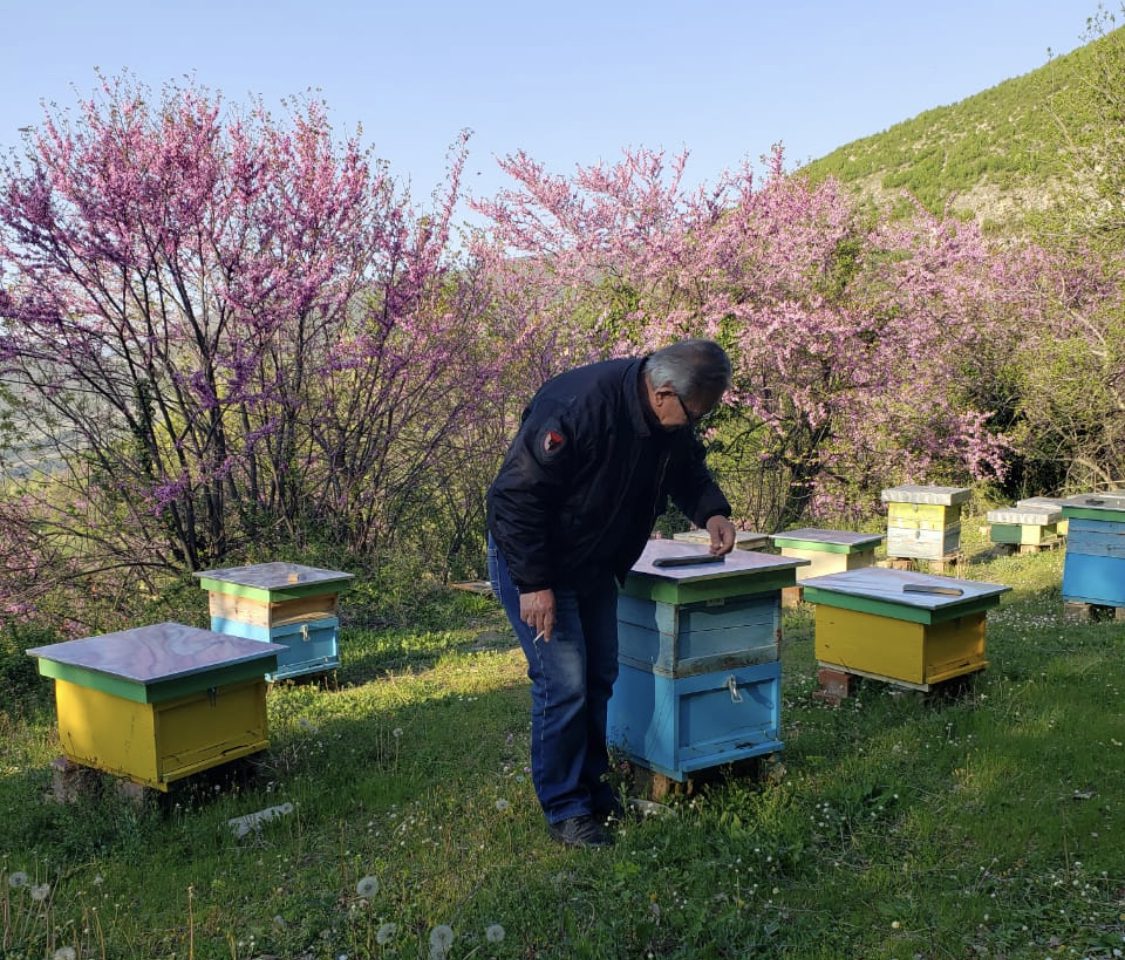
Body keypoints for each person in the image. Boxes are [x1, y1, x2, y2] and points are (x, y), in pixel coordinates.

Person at [486, 339, 737, 848]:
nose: (692, 424)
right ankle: (566, 810)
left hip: (595, 562)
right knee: (564, 684)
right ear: (663, 392)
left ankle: (596, 792)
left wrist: (712, 509)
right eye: (691, 414)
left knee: (600, 677)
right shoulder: (577, 407)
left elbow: (686, 468)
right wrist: (534, 585)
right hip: (535, 561)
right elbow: (514, 498)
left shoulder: (668, 418)